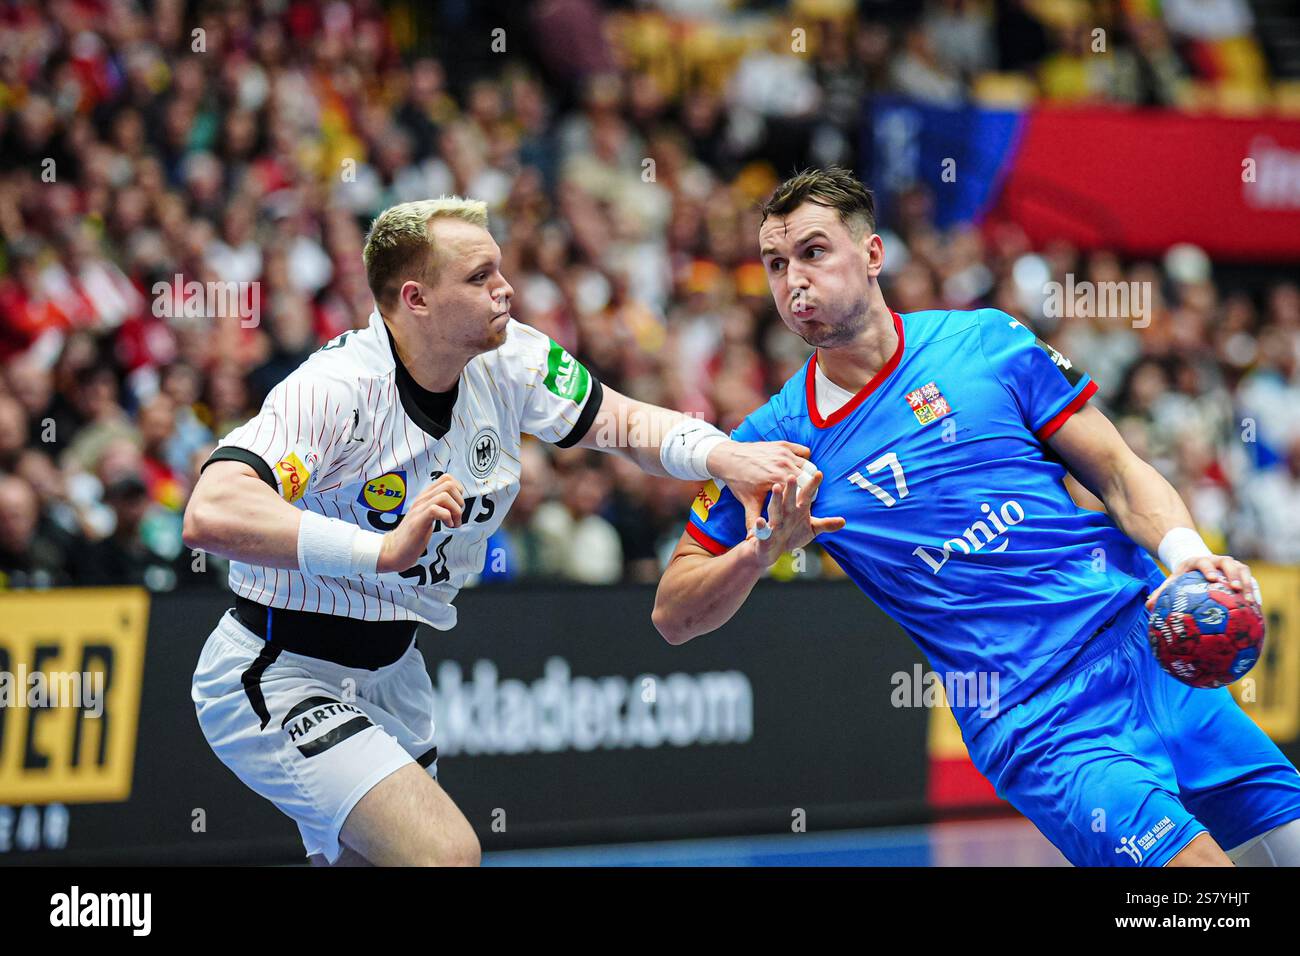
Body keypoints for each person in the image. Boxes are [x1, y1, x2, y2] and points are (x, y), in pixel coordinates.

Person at [652, 166, 1300, 868]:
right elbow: (672, 614)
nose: (793, 282)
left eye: (812, 252)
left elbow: (1116, 469)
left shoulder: (985, 342)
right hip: (1040, 718)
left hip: (1147, 649)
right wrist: (759, 552)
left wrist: (1183, 552)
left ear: (873, 256)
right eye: (775, 265)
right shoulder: (769, 445)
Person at [184, 196, 809, 867]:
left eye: (500, 270)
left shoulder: (511, 359)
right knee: (446, 854)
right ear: (417, 299)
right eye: (480, 277)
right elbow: (212, 509)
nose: (504, 289)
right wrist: (380, 552)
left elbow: (624, 424)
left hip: (394, 675)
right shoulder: (337, 389)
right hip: (280, 670)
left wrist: (725, 456)